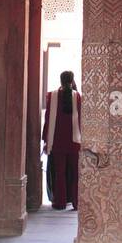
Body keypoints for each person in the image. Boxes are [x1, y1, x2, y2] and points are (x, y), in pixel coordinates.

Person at [43, 70, 82, 210]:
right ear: (72, 81)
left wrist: (46, 139)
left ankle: (60, 202)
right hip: (74, 142)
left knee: (60, 173)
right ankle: (77, 203)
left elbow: (48, 119)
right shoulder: (77, 96)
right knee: (75, 173)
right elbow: (82, 119)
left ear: (61, 80)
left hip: (57, 140)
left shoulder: (52, 96)